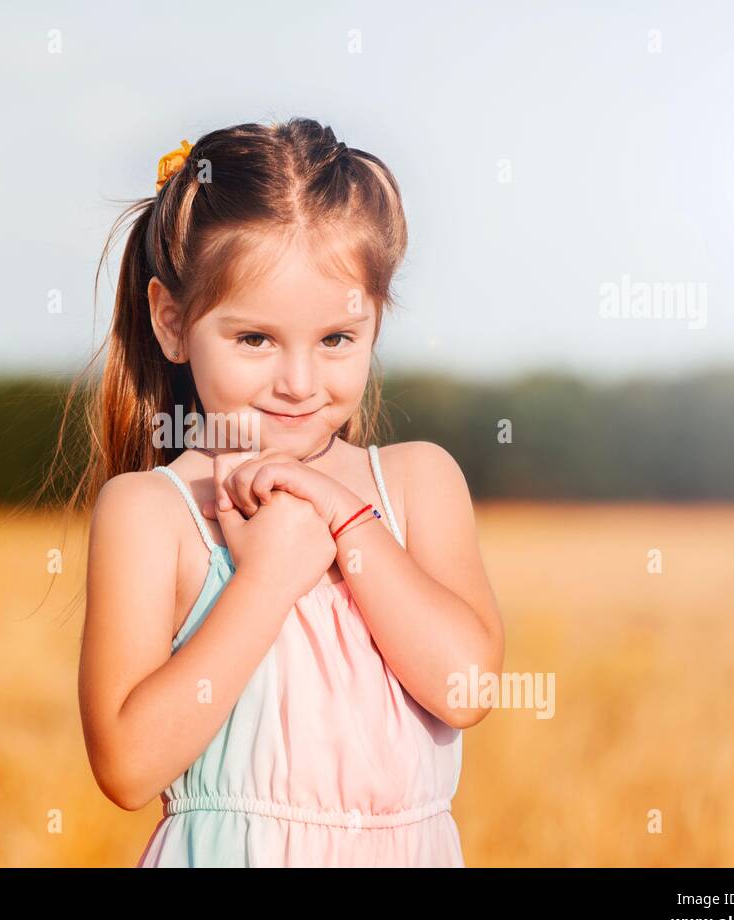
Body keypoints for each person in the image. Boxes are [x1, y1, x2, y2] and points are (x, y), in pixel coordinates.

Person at [73, 118, 504, 866]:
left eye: (336, 339)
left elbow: (464, 687)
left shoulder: (416, 483)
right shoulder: (154, 511)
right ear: (172, 322)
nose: (299, 383)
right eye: (255, 340)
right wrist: (267, 580)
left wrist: (348, 522)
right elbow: (126, 765)